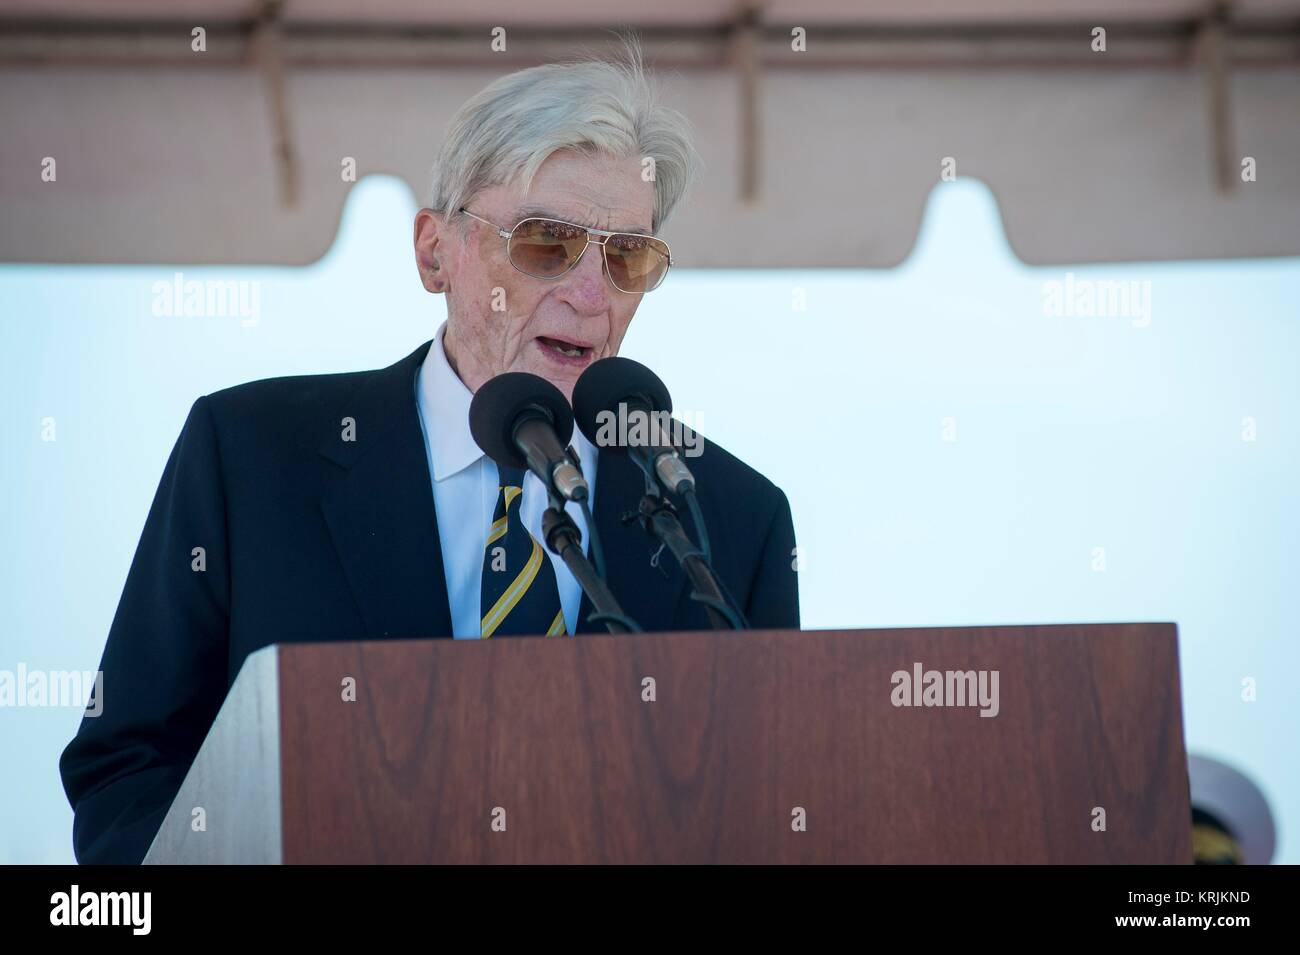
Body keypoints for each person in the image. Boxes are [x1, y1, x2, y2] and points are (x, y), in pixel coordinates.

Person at [59, 41, 799, 865]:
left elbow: (767, 807)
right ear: (434, 252)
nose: (592, 294)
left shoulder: (730, 516)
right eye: (546, 241)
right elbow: (126, 768)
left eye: (626, 257)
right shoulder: (249, 456)